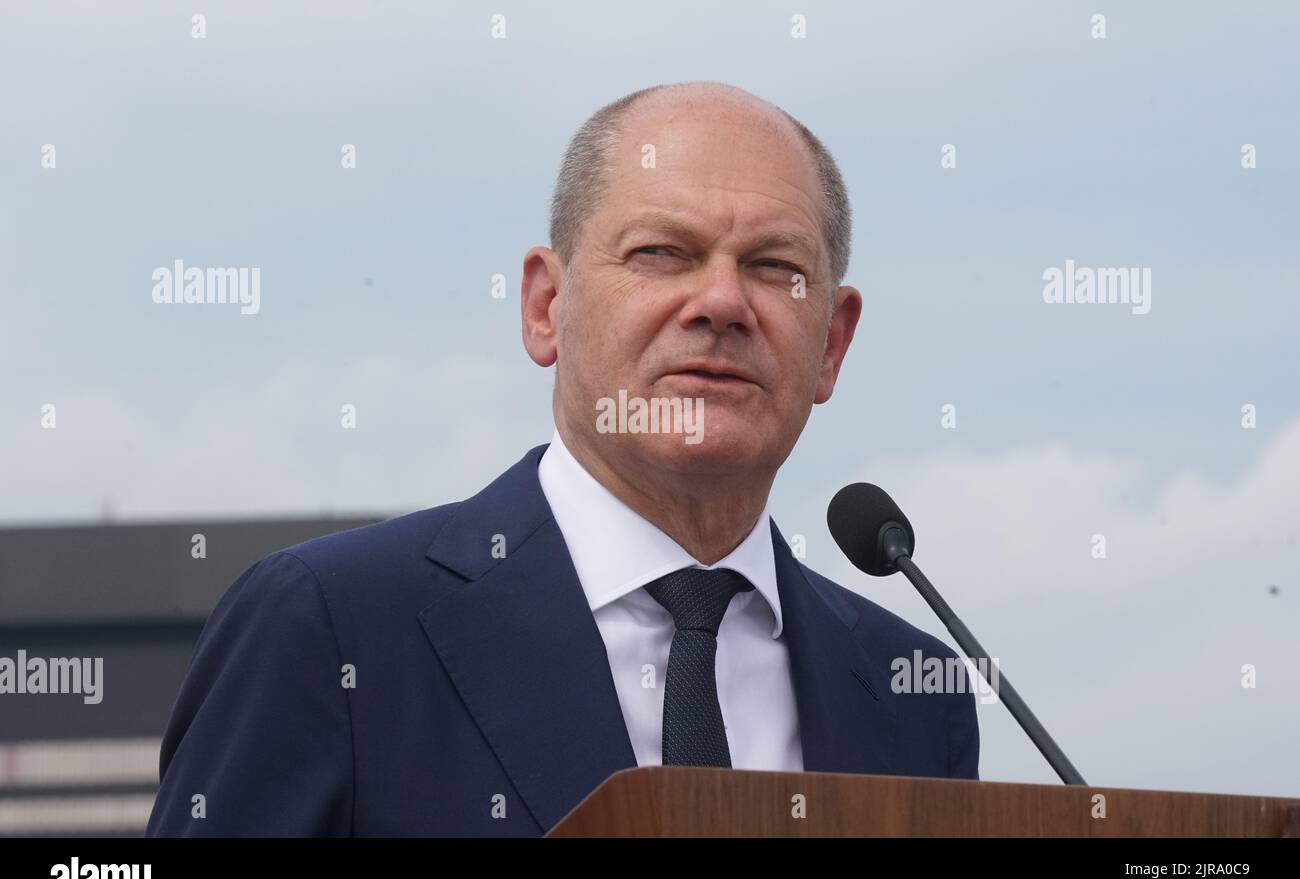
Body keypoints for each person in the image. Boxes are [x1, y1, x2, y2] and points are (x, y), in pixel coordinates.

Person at [147, 81, 978, 837]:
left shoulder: (912, 690)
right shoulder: (328, 626)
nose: (722, 302)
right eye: (662, 253)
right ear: (547, 307)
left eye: (773, 268)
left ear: (831, 342)